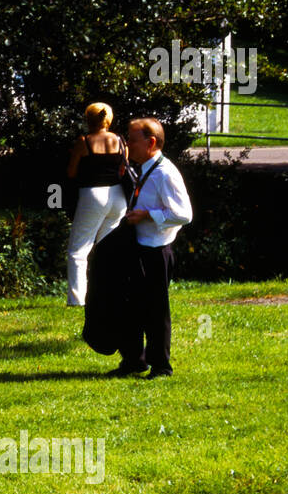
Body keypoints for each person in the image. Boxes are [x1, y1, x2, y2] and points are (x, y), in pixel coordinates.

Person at [110, 117, 193, 379]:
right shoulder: (144, 169)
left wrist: (147, 215)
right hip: (138, 246)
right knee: (131, 307)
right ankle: (134, 360)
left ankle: (161, 366)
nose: (127, 145)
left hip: (156, 250)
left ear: (151, 142)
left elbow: (184, 214)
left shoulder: (165, 173)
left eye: (132, 141)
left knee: (155, 310)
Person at [65, 102, 130, 306]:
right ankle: (109, 295)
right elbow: (124, 169)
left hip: (92, 195)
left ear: (88, 119)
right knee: (108, 249)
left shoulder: (84, 141)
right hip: (118, 196)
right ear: (108, 119)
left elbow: (71, 172)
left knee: (78, 250)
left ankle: (77, 299)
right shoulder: (120, 140)